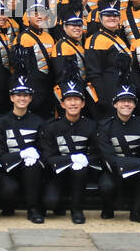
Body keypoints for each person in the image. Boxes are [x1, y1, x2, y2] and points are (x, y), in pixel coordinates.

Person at [95, 82, 140, 224]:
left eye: (130, 101)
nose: (126, 104)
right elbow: (110, 159)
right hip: (114, 171)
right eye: (122, 101)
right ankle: (108, 207)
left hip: (138, 171)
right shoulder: (104, 125)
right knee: (106, 186)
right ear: (115, 104)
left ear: (135, 105)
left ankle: (137, 212)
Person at [39, 79, 101, 224]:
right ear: (62, 104)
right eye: (69, 100)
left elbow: (98, 153)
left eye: (77, 99)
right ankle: (58, 202)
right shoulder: (51, 127)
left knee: (79, 171)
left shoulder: (92, 126)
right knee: (50, 203)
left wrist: (86, 160)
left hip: (81, 173)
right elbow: (47, 157)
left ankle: (77, 209)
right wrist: (71, 159)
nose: (73, 103)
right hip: (57, 172)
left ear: (83, 103)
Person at [0, 74, 47, 222]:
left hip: (31, 170)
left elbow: (44, 150)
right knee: (8, 190)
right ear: (12, 98)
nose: (22, 98)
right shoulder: (0, 122)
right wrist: (22, 154)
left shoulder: (39, 122)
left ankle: (33, 209)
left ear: (31, 98)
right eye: (18, 95)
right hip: (8, 170)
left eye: (26, 95)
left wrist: (34, 155)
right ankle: (9, 205)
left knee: (33, 167)